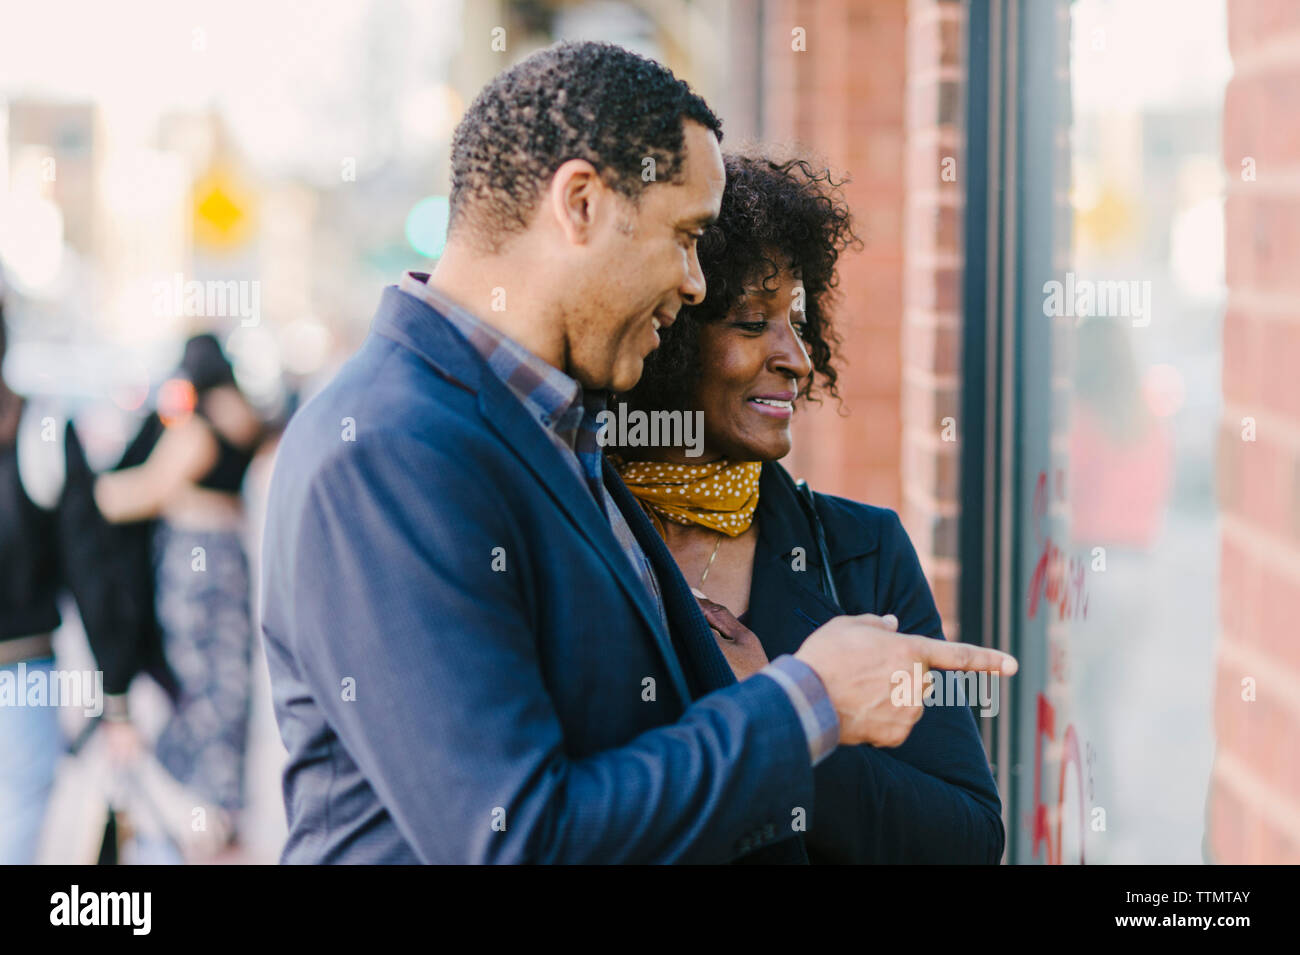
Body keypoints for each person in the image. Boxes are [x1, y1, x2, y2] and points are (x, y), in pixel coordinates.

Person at [259, 41, 1016, 864]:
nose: (695, 282)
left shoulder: (556, 437)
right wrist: (809, 700)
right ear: (580, 203)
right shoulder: (388, 450)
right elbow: (523, 839)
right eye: (686, 236)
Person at [612, 152, 1004, 862]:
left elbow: (967, 840)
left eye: (796, 318)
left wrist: (790, 706)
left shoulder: (861, 552)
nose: (796, 355)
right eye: (752, 321)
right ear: (667, 326)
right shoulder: (586, 531)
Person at [95, 332, 263, 849]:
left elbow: (144, 492)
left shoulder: (196, 430)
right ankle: (220, 813)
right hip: (229, 564)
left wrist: (91, 489)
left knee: (195, 688)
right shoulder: (245, 417)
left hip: (195, 573)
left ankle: (197, 809)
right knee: (227, 688)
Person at [0, 279, 145, 863]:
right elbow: (94, 573)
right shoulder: (41, 429)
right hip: (22, 671)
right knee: (16, 819)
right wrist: (115, 698)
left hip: (25, 670)